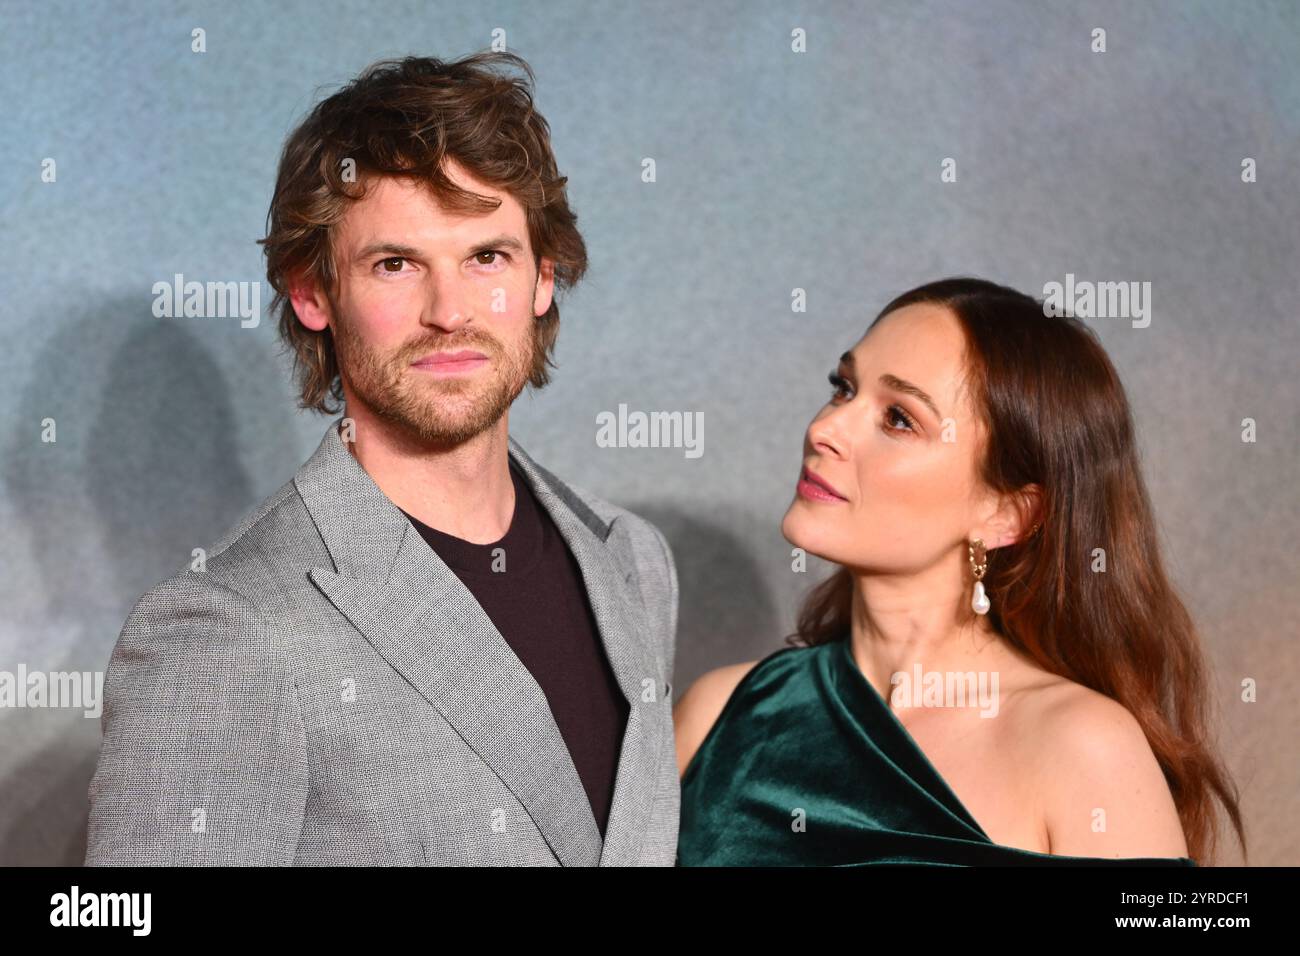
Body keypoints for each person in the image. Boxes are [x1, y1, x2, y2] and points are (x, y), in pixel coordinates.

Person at [85, 53, 679, 866]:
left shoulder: (634, 563)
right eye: (395, 264)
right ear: (312, 293)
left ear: (544, 279)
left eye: (487, 258)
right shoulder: (226, 629)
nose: (449, 313)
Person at [674, 277, 1245, 866]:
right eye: (843, 388)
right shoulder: (721, 713)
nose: (824, 429)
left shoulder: (1082, 747)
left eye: (899, 418)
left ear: (1008, 514)